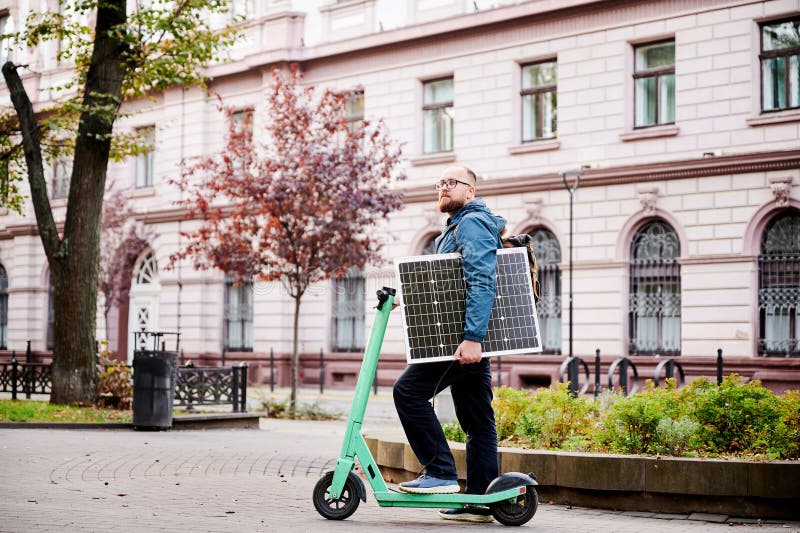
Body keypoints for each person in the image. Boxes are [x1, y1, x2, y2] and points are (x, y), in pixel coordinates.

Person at [393, 165, 506, 523]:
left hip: (459, 341)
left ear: (470, 191)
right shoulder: (456, 227)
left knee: (408, 393)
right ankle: (480, 501)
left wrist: (473, 338)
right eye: (439, 183)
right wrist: (405, 296)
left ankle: (439, 470)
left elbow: (481, 279)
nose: (443, 187)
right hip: (462, 339)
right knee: (477, 420)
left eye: (451, 183)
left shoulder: (471, 224)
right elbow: (445, 285)